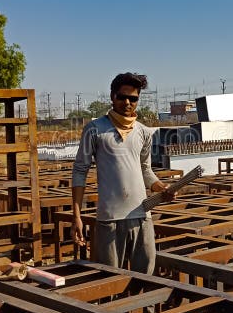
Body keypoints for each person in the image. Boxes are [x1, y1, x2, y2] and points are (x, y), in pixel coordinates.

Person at [71, 72, 173, 274]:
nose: (127, 102)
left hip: (141, 216)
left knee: (146, 279)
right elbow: (80, 171)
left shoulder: (144, 132)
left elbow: (145, 170)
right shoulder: (95, 129)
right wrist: (77, 216)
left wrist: (161, 187)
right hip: (109, 219)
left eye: (133, 98)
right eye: (122, 97)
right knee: (109, 280)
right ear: (112, 96)